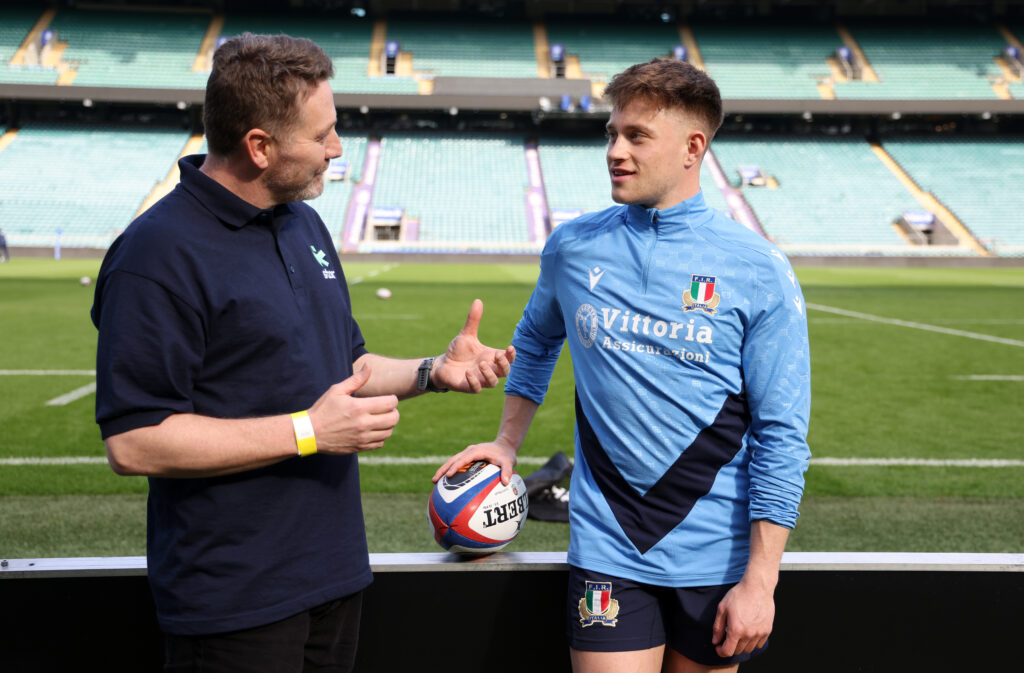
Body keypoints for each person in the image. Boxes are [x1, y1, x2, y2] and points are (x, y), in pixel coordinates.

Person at [91, 33, 514, 673]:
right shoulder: (156, 255)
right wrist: (309, 432)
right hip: (234, 600)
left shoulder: (302, 222)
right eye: (322, 136)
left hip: (334, 576)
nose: (337, 149)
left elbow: (349, 371)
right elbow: (135, 442)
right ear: (260, 146)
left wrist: (434, 371)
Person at [435, 58, 810, 673]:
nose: (615, 149)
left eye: (637, 136)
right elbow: (534, 338)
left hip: (717, 557)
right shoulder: (574, 246)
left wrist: (761, 579)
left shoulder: (758, 267)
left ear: (694, 147)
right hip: (609, 546)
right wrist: (507, 443)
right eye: (612, 133)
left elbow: (783, 433)